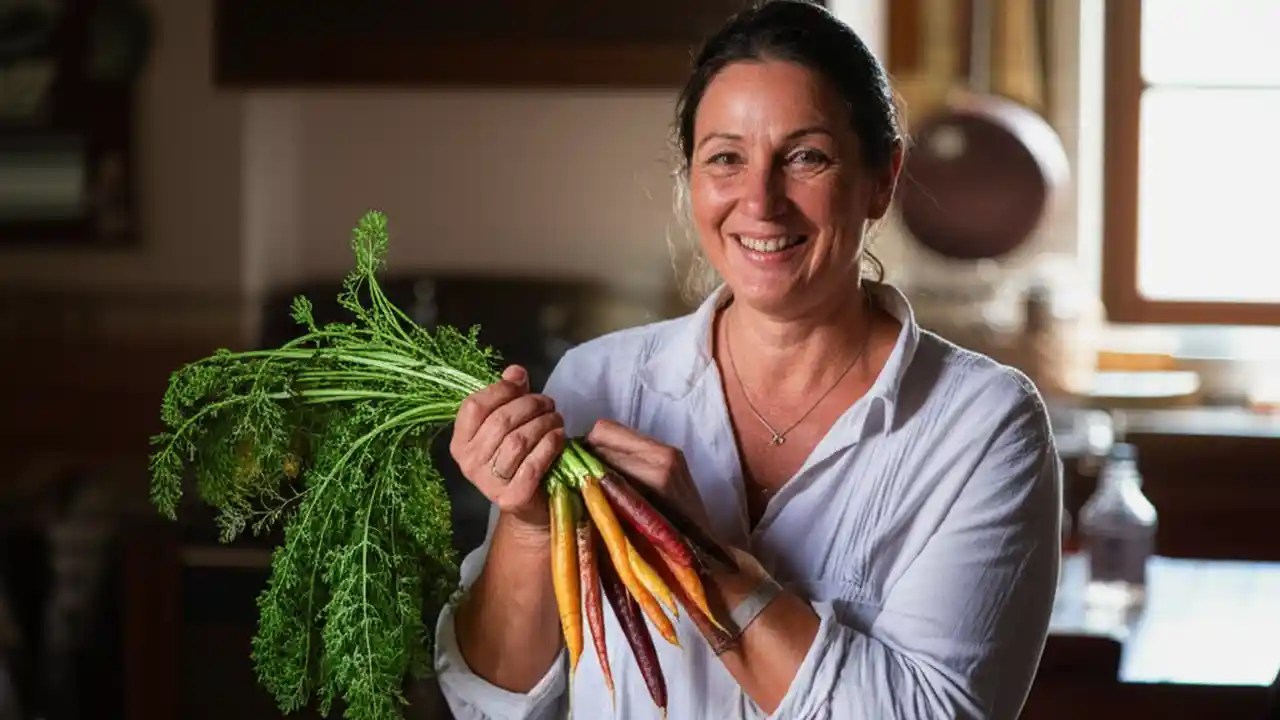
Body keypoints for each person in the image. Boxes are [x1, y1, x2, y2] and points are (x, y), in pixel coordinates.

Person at [434, 1, 1062, 718]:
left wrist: (699, 556)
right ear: (691, 178)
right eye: (726, 158)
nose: (760, 203)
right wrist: (526, 524)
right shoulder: (596, 383)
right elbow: (492, 703)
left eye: (806, 157)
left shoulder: (982, 428)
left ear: (881, 178)